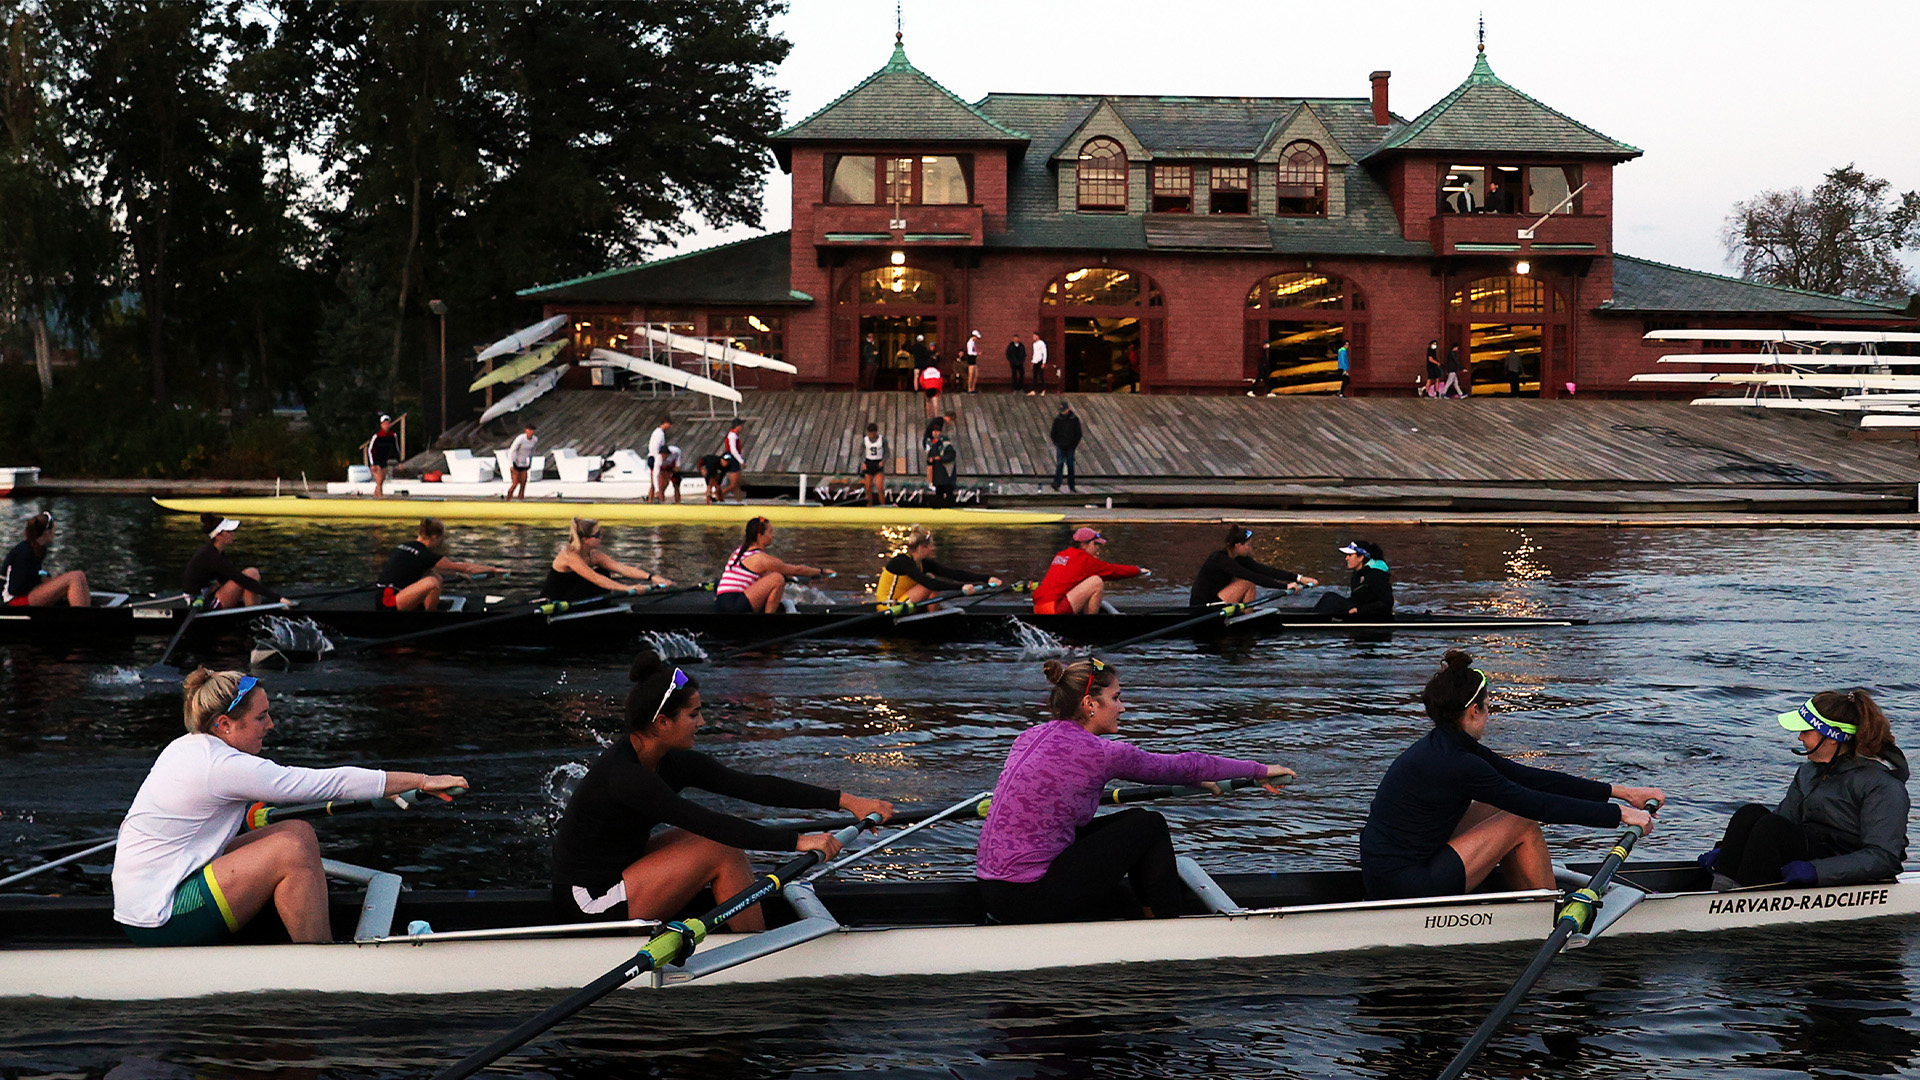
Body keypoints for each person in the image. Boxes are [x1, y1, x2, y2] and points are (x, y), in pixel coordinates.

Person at [112, 668, 466, 945]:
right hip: (160, 916)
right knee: (288, 851)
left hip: (156, 889)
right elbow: (325, 784)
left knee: (297, 831)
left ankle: (307, 936)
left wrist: (383, 788)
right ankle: (320, 961)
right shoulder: (221, 766)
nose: (271, 724)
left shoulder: (188, 746)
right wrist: (421, 780)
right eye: (261, 717)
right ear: (225, 724)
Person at [551, 652, 893, 930]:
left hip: (621, 872)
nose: (701, 723)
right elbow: (709, 823)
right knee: (720, 847)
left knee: (720, 843)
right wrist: (798, 842)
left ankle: (748, 933)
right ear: (662, 722)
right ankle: (755, 952)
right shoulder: (627, 776)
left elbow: (754, 786)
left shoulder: (667, 760)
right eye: (693, 715)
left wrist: (849, 801)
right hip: (590, 902)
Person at [975, 657, 1293, 923]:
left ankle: (1147, 912)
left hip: (990, 888)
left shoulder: (1029, 737)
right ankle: (1168, 929)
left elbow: (1183, 772)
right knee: (1149, 826)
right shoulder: (1102, 753)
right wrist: (1260, 771)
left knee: (1133, 820)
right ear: (1089, 704)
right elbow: (1191, 764)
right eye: (1116, 698)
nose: (1123, 707)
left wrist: (1189, 777)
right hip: (1027, 897)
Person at [1359, 649, 1663, 900]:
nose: (1489, 714)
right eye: (1487, 707)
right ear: (1474, 711)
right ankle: (1548, 912)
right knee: (1522, 819)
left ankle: (1527, 893)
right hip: (1407, 886)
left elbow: (1531, 779)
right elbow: (1539, 806)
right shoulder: (1458, 762)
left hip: (1391, 873)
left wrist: (1622, 793)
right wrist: (1620, 815)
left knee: (1498, 805)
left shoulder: (1448, 744)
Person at [1700, 691, 1909, 890]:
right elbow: (1782, 820)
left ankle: (1742, 900)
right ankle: (1721, 889)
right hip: (1814, 850)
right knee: (1749, 815)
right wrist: (1730, 850)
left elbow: (1883, 857)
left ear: (1832, 736)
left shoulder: (1883, 785)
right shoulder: (1808, 772)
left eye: (1806, 731)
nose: (1800, 737)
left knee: (1771, 829)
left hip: (1846, 867)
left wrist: (1817, 871)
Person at [376, 517, 507, 611]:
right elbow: (466, 568)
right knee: (432, 583)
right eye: (441, 539)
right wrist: (493, 569)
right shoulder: (425, 555)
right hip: (388, 603)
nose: (441, 542)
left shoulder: (405, 545)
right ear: (434, 537)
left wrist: (458, 574)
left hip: (384, 595)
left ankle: (426, 604)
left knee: (434, 574)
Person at [715, 516, 834, 614]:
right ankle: (769, 621)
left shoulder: (738, 552)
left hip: (721, 603)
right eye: (770, 532)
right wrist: (822, 571)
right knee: (777, 578)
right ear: (760, 536)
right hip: (734, 605)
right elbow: (797, 570)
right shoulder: (761, 559)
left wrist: (794, 579)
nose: (773, 535)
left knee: (772, 576)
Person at [540, 517, 673, 604]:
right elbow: (596, 579)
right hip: (553, 601)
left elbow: (621, 568)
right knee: (600, 577)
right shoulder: (570, 556)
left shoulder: (594, 554)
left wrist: (652, 577)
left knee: (604, 572)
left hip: (572, 597)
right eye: (597, 535)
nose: (601, 537)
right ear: (586, 540)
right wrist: (628, 588)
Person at [1187, 527, 1317, 607]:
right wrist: (1285, 586)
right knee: (1247, 582)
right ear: (1238, 545)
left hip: (1217, 598)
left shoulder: (1239, 558)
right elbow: (1252, 576)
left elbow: (1263, 570)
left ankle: (1245, 615)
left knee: (1246, 581)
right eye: (1248, 545)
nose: (1250, 548)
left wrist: (1299, 578)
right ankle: (1245, 619)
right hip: (1204, 605)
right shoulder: (1220, 559)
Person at [1031, 527, 1147, 616]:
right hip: (1054, 609)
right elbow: (1113, 571)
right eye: (1095, 544)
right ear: (1083, 544)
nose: (1097, 548)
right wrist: (1138, 570)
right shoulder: (1084, 559)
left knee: (1085, 582)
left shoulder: (1061, 555)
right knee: (1096, 581)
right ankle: (1091, 625)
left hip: (1038, 608)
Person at [876, 526, 1002, 606]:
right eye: (931, 545)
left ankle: (932, 616)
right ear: (921, 548)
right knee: (929, 583)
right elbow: (929, 584)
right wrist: (961, 588)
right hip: (889, 606)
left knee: (932, 581)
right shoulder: (902, 562)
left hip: (905, 602)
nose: (933, 548)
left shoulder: (923, 563)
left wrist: (987, 579)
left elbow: (953, 574)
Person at [184, 515, 284, 609]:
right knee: (251, 575)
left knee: (251, 573)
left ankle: (253, 608)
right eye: (229, 532)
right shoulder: (212, 556)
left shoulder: (216, 551)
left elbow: (226, 577)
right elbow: (243, 580)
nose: (233, 534)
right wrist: (279, 599)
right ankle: (253, 614)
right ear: (218, 535)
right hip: (201, 602)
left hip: (208, 593)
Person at [2, 511, 90, 608]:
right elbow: (14, 588)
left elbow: (34, 573)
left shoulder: (39, 548)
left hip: (28, 594)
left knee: (80, 576)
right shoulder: (24, 552)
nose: (54, 534)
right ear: (47, 533)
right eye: (54, 530)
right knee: (75, 577)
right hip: (14, 600)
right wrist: (41, 582)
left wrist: (46, 579)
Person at [1312, 540, 1393, 619]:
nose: (1346, 558)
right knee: (1328, 596)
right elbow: (1358, 598)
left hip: (1372, 615)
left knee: (1332, 600)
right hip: (1360, 608)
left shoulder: (1376, 575)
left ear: (1360, 557)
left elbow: (1387, 603)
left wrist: (1359, 610)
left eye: (1350, 555)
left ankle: (1314, 620)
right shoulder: (1357, 574)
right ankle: (1313, 616)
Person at [365, 415, 401, 498]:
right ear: (381, 425)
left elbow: (396, 449)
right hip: (376, 461)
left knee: (381, 481)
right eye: (384, 424)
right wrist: (372, 463)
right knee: (380, 480)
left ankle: (376, 495)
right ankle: (380, 496)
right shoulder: (377, 436)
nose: (386, 425)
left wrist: (399, 461)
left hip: (384, 460)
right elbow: (370, 450)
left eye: (388, 423)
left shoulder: (393, 436)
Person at [1050, 401, 1082, 493]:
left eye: (1064, 410)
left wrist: (1073, 445)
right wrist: (1057, 443)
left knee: (1070, 466)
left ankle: (1071, 486)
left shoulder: (1074, 419)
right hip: (1060, 446)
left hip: (1070, 447)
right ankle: (1057, 484)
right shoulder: (1057, 420)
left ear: (1068, 409)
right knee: (1059, 465)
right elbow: (1053, 433)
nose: (1062, 412)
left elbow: (1078, 434)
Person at [927, 423, 958, 505]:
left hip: (946, 472)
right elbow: (930, 457)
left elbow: (951, 456)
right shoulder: (933, 445)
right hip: (937, 472)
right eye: (934, 431)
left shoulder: (946, 444)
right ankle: (940, 505)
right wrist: (930, 460)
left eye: (937, 431)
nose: (935, 433)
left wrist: (940, 458)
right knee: (939, 491)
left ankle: (949, 505)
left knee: (948, 491)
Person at [715, 420, 746, 503]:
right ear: (737, 426)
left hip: (734, 459)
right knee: (733, 485)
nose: (742, 428)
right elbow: (733, 450)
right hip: (732, 459)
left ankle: (739, 502)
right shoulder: (732, 435)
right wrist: (741, 461)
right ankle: (718, 496)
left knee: (737, 485)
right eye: (741, 426)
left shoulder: (734, 435)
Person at [505, 423, 538, 501]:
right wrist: (511, 463)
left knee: (523, 482)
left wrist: (530, 462)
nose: (530, 432)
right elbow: (512, 450)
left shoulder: (535, 439)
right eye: (529, 430)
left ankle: (521, 498)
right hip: (516, 462)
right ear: (526, 430)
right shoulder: (520, 439)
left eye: (532, 431)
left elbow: (532, 451)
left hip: (524, 463)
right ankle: (508, 497)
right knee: (515, 482)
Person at [646, 419, 673, 503]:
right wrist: (659, 456)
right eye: (669, 425)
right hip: (655, 457)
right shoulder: (659, 433)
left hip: (653, 456)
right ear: (665, 423)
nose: (670, 427)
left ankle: (651, 500)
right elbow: (655, 447)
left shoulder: (658, 432)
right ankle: (657, 498)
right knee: (660, 482)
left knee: (655, 483)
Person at [860, 422, 887, 506]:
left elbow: (887, 452)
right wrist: (862, 463)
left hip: (878, 464)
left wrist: (883, 461)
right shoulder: (865, 440)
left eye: (873, 433)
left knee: (880, 487)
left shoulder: (882, 439)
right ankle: (869, 504)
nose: (872, 435)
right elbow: (860, 452)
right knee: (868, 487)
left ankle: (883, 505)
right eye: (870, 433)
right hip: (868, 463)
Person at [1028, 331, 1049, 396]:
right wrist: (1032, 361)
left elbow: (1044, 353)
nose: (1034, 337)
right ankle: (1033, 390)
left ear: (1038, 336)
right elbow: (1035, 353)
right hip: (1035, 361)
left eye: (1035, 336)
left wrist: (1044, 362)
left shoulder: (1041, 343)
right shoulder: (1034, 344)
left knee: (1041, 376)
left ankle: (1043, 390)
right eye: (1033, 336)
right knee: (1035, 376)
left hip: (1040, 361)